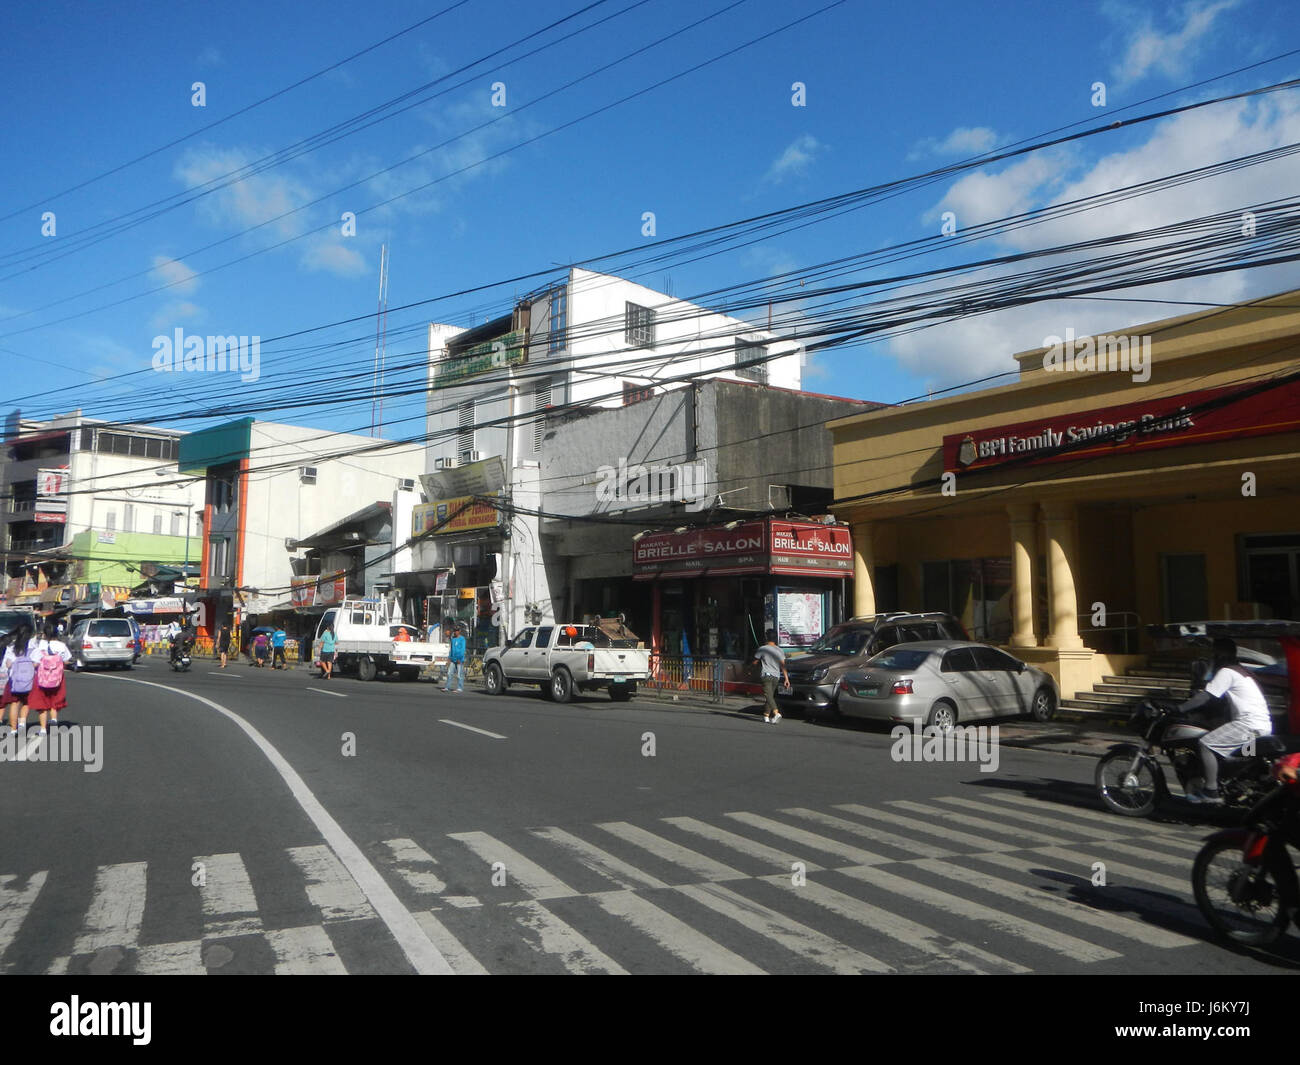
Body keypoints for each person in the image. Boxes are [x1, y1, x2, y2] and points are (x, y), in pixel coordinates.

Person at [1178, 637, 1273, 805]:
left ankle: (1211, 792)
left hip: (1248, 726)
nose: (1212, 657)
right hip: (1260, 727)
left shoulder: (1227, 672)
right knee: (1243, 757)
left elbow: (1206, 696)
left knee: (1205, 745)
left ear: (1220, 654)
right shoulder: (1241, 671)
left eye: (1214, 653)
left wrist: (1179, 709)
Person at [30, 622, 72, 732]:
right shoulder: (61, 645)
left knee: (42, 703)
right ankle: (54, 718)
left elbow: (34, 663)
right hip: (57, 677)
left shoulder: (40, 646)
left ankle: (43, 729)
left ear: (44, 634)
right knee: (55, 698)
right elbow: (67, 661)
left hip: (41, 678)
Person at [4, 625, 38, 735]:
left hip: (15, 680)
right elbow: (36, 663)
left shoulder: (12, 646)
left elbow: (8, 664)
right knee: (26, 702)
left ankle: (13, 729)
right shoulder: (33, 646)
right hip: (29, 680)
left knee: (15, 703)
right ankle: (22, 723)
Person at [753, 629, 790, 724]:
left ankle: (776, 712)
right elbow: (783, 665)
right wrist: (786, 679)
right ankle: (766, 715)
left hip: (766, 675)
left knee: (768, 695)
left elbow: (755, 662)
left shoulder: (763, 648)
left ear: (766, 637)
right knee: (770, 696)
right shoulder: (780, 650)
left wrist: (749, 669)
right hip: (776, 676)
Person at [443, 625, 466, 693]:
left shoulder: (462, 639)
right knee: (449, 673)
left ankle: (460, 688)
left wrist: (460, 658)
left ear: (459, 631)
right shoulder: (453, 639)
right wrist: (449, 658)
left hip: (459, 659)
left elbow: (462, 649)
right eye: (455, 631)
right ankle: (447, 687)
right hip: (453, 659)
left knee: (459, 674)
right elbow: (452, 649)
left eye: (457, 631)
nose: (455, 632)